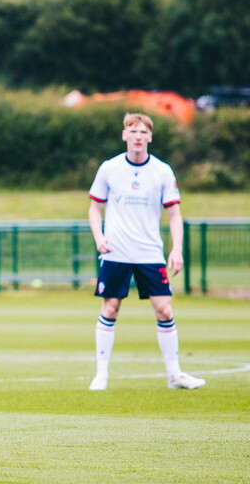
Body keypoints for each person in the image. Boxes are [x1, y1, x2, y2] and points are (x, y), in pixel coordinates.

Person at [87, 113, 205, 391]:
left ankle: (174, 375)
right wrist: (99, 237)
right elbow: (94, 209)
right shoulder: (109, 168)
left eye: (143, 132)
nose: (138, 136)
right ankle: (101, 375)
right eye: (132, 131)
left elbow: (175, 214)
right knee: (111, 307)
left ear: (150, 137)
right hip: (116, 251)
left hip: (150, 252)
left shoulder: (162, 171)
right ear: (124, 135)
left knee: (164, 309)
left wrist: (176, 249)